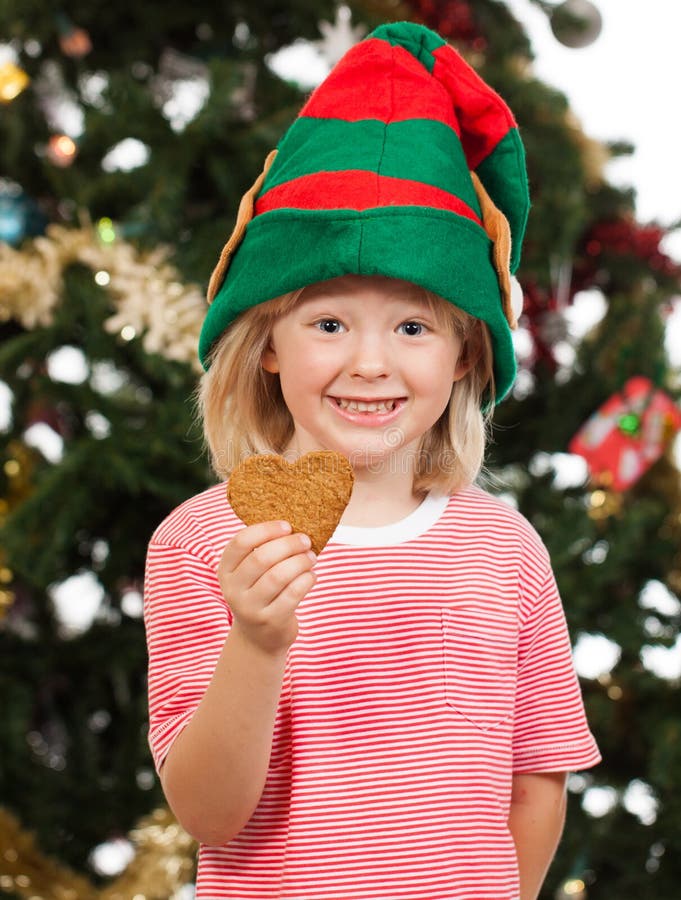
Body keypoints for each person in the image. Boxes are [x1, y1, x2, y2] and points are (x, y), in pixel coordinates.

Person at [144, 20, 600, 900]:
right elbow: (205, 814)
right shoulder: (202, 544)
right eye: (327, 323)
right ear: (267, 344)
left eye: (413, 326)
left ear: (466, 354)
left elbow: (535, 781)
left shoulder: (504, 552)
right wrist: (257, 640)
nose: (369, 363)